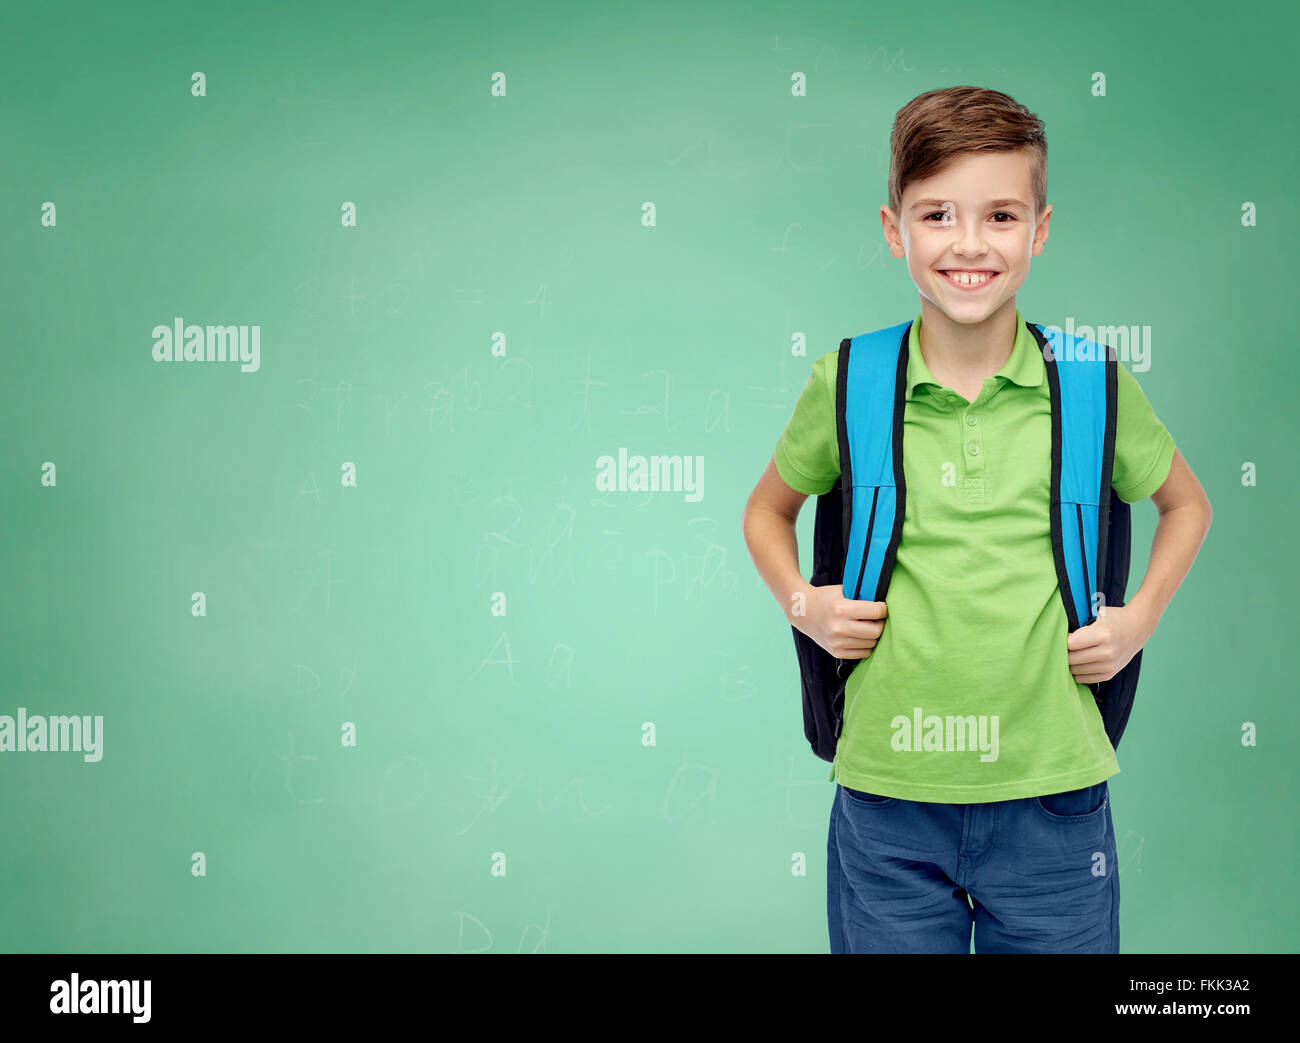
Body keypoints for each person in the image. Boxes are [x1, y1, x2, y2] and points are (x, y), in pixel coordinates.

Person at [741, 85, 1212, 953]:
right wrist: (806, 605)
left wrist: (1138, 618)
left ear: (1038, 230)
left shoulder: (1090, 378)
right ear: (895, 231)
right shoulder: (850, 379)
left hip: (1054, 801)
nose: (968, 244)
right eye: (937, 215)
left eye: (1000, 215)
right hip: (888, 796)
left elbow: (1187, 504)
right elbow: (767, 511)